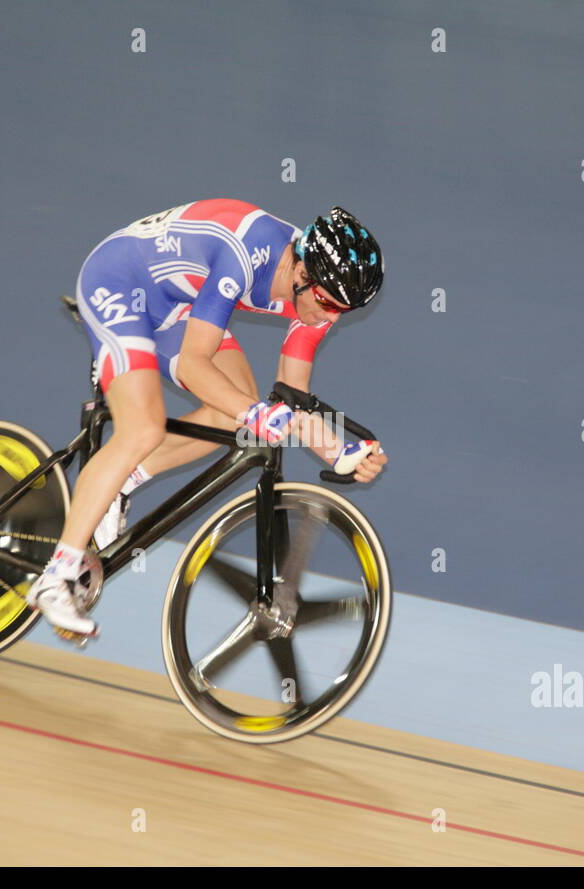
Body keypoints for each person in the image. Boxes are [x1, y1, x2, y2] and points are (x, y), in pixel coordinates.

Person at [28, 199, 389, 640]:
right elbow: (194, 367)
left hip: (176, 302)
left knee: (231, 415)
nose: (331, 318)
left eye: (344, 311)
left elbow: (290, 399)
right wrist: (254, 413)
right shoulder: (245, 253)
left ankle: (120, 480)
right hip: (118, 281)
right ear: (301, 273)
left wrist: (339, 453)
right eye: (328, 304)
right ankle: (56, 576)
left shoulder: (318, 293)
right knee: (144, 425)